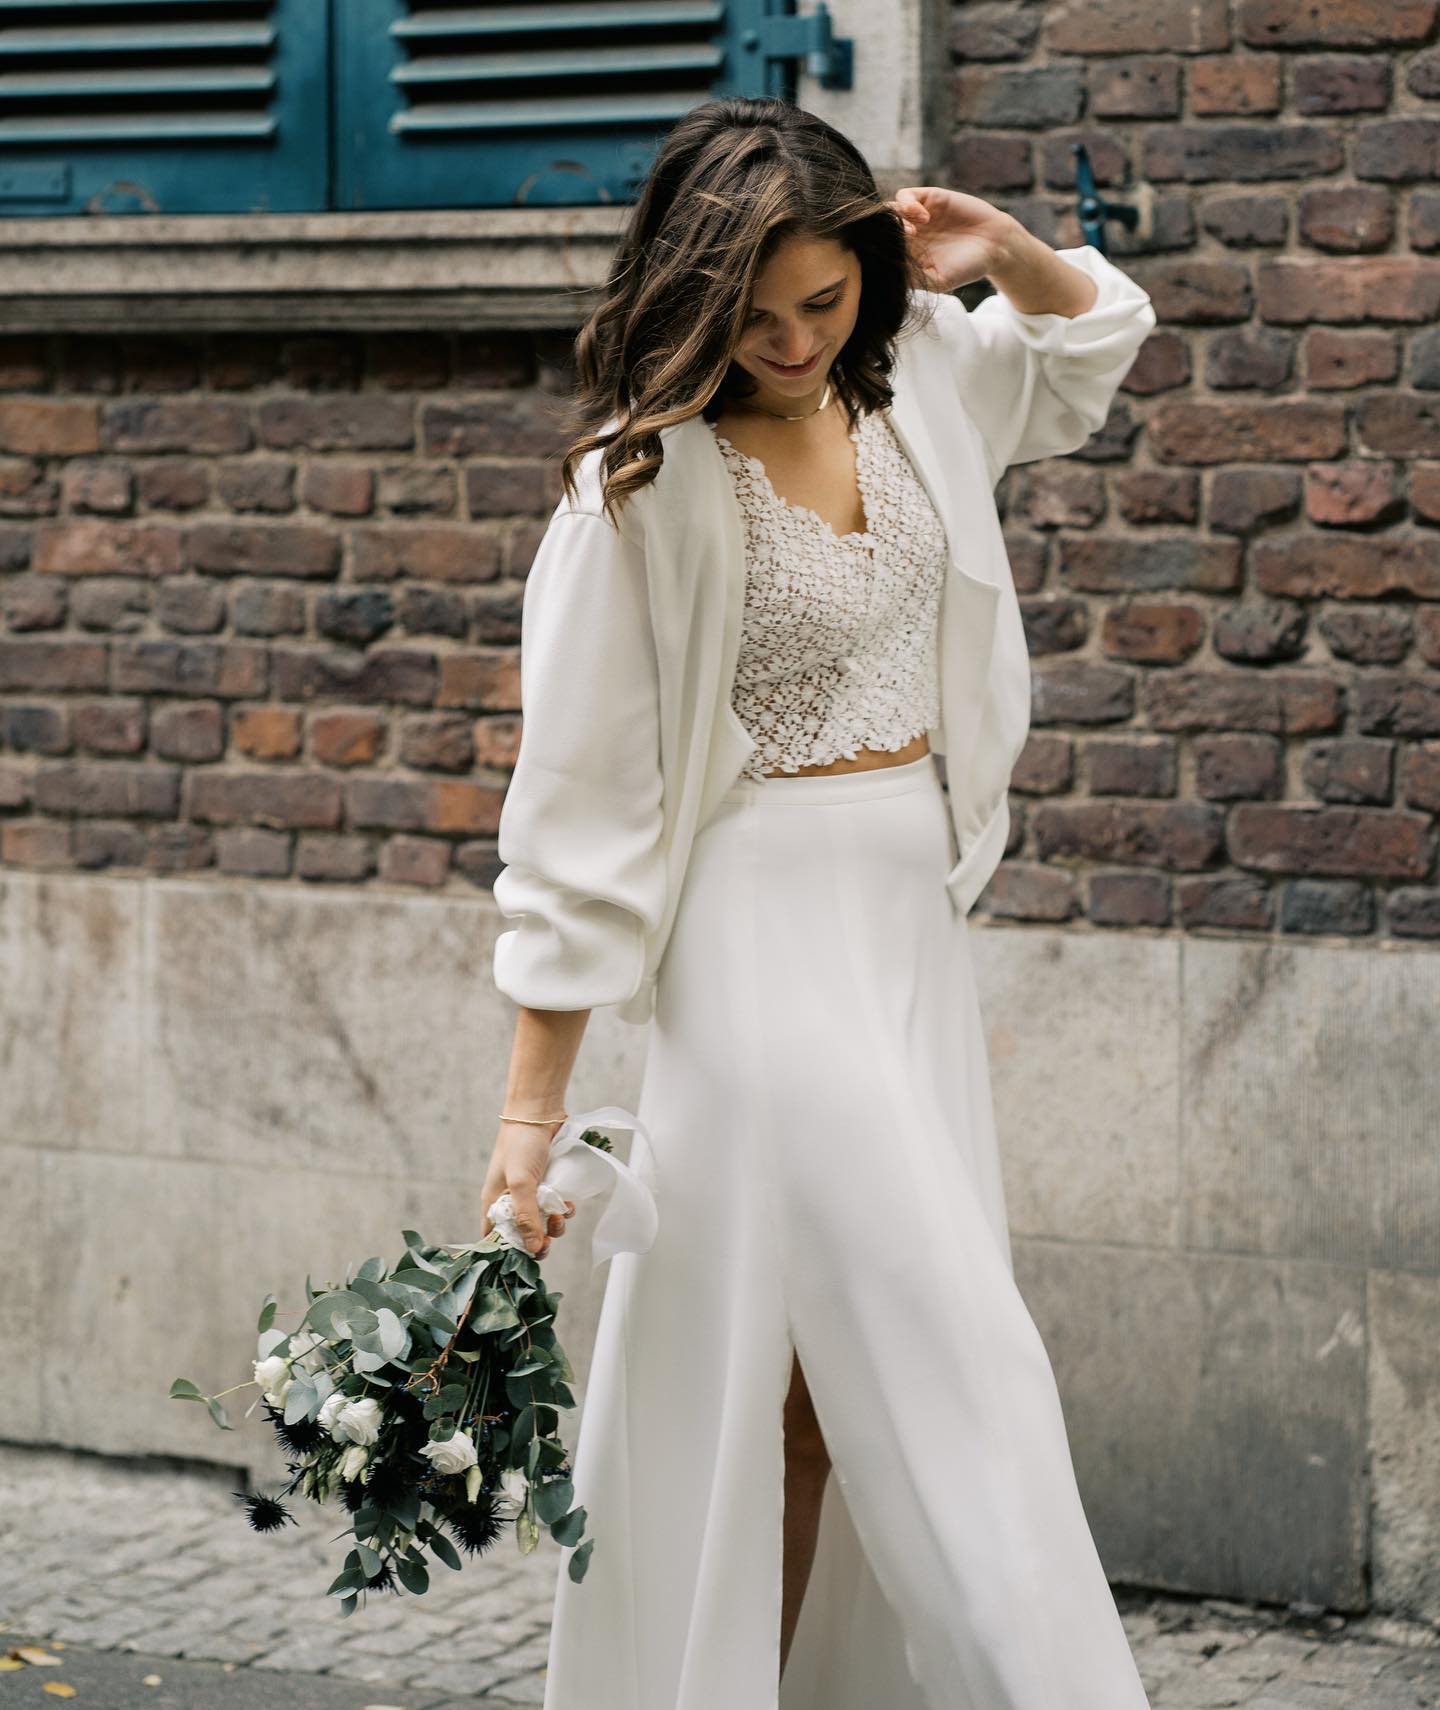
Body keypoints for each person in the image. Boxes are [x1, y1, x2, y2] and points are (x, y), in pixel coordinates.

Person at [478, 95, 1158, 1710]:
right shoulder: (633, 491)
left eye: (822, 299)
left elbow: (1087, 356)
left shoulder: (921, 368)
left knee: (788, 1401)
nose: (790, 341)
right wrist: (530, 1117)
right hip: (753, 956)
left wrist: (1003, 252)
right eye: (753, 312)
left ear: (865, 270)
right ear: (689, 297)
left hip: (908, 930)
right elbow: (577, 816)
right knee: (957, 1359)